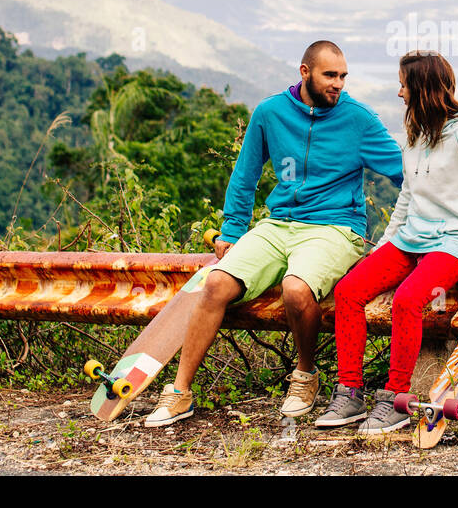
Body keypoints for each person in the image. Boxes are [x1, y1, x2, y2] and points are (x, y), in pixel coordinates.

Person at [145, 41, 404, 427]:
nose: (338, 84)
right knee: (215, 284)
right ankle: (180, 392)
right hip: (278, 224)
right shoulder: (270, 113)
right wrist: (232, 229)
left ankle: (305, 375)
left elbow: (409, 174)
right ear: (305, 73)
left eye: (343, 76)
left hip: (335, 227)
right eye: (329, 75)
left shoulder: (359, 119)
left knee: (296, 289)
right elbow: (245, 174)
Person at [315, 50, 458, 433]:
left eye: (403, 84)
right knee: (348, 291)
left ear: (421, 87)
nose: (399, 92)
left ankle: (396, 397)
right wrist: (383, 247)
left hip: (455, 242)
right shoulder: (416, 134)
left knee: (408, 300)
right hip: (411, 238)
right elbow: (407, 197)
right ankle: (350, 393)